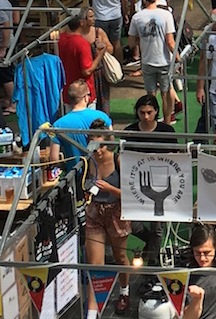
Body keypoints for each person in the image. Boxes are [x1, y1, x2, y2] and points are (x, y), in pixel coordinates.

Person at [83, 119, 131, 316]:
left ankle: (124, 291)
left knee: (120, 256)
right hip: (94, 212)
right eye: (94, 145)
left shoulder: (118, 159)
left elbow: (131, 193)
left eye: (101, 145)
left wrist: (110, 188)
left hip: (116, 211)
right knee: (95, 263)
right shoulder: (87, 161)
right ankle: (92, 312)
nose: (98, 150)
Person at [123, 95, 174, 266]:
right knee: (131, 223)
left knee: (157, 227)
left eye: (149, 112)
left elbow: (175, 157)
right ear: (136, 112)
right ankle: (151, 246)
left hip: (161, 184)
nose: (145, 116)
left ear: (156, 112)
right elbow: (122, 157)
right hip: (135, 185)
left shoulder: (166, 131)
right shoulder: (129, 132)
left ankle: (153, 261)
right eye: (142, 112)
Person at [128, 0, 178, 122]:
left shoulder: (137, 17)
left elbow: (131, 43)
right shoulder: (167, 15)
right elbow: (170, 42)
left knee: (150, 94)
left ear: (144, 1)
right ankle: (167, 121)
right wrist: (178, 58)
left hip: (147, 61)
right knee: (166, 92)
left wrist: (140, 38)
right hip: (165, 61)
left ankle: (151, 120)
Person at [50, 80, 112, 171]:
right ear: (86, 98)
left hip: (75, 175)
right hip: (100, 172)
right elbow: (112, 143)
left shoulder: (58, 125)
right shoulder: (102, 116)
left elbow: (54, 159)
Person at [58, 10, 107, 111]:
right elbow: (87, 70)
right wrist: (100, 54)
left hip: (67, 91)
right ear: (81, 22)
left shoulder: (60, 38)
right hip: (83, 93)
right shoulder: (82, 43)